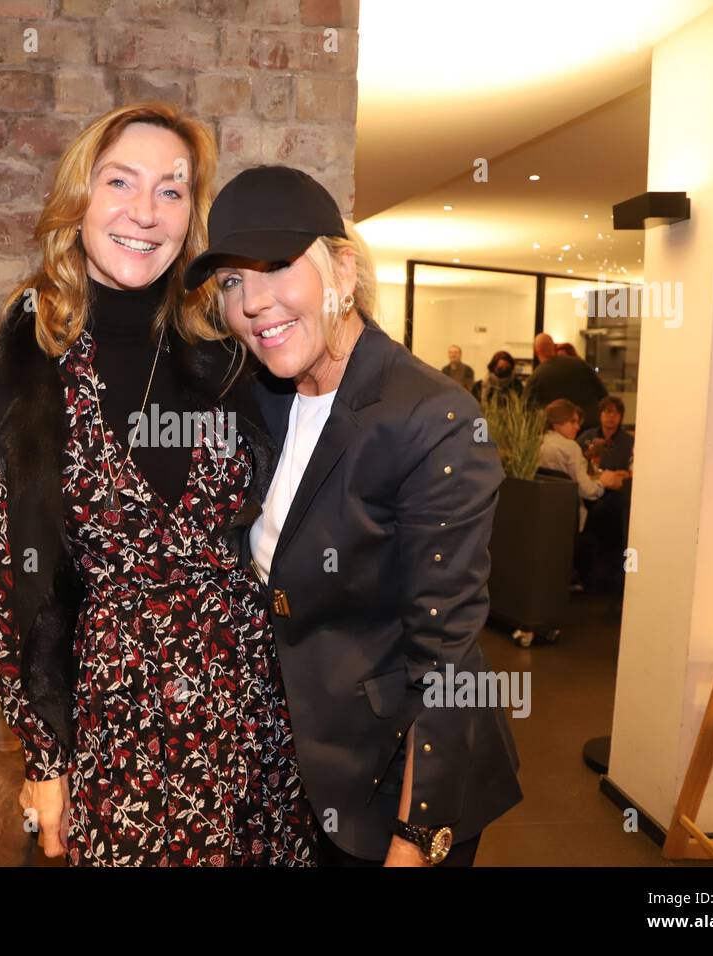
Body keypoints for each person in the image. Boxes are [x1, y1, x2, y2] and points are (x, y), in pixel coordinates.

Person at [0, 105, 317, 866]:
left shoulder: (234, 354)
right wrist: (45, 760)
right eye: (121, 182)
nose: (145, 212)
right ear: (79, 198)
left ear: (191, 219)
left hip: (260, 712)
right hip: (122, 730)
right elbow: (20, 585)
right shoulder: (24, 379)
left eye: (171, 191)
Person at [184, 165, 523, 868]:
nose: (253, 302)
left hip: (400, 777)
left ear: (342, 269)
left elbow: (447, 657)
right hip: (306, 769)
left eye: (279, 266)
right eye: (232, 281)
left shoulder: (431, 418)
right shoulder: (264, 396)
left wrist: (415, 838)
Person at [538, 399, 624, 533]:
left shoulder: (539, 441)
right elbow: (587, 491)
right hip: (569, 515)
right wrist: (603, 483)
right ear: (557, 422)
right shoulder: (570, 447)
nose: (577, 427)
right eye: (572, 422)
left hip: (544, 510)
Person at [525, 332, 608, 430]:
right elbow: (603, 394)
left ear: (536, 351)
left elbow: (526, 409)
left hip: (561, 430)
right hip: (590, 425)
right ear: (554, 347)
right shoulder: (579, 364)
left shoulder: (536, 376)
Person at [578, 396, 634, 473]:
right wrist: (589, 454)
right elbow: (574, 461)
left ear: (621, 417)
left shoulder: (629, 441)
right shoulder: (587, 436)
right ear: (600, 415)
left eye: (616, 412)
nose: (612, 416)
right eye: (608, 411)